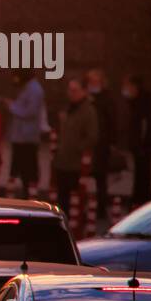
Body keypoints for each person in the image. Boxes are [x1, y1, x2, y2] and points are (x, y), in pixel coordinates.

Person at [52, 77, 99, 213]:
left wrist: (77, 148)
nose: (71, 93)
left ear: (84, 91)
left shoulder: (88, 111)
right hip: (62, 161)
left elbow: (92, 136)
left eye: (75, 90)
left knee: (75, 201)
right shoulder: (68, 109)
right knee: (62, 199)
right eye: (70, 90)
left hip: (75, 163)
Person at [2, 70, 46, 198]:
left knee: (28, 171)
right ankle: (21, 194)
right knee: (18, 170)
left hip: (27, 138)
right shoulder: (27, 88)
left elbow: (30, 112)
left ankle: (29, 196)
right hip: (20, 137)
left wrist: (12, 106)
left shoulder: (35, 90)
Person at [123, 74, 151, 207]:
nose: (126, 89)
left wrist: (142, 144)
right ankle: (139, 197)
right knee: (140, 172)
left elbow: (145, 125)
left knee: (143, 172)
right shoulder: (136, 102)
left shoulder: (144, 103)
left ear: (135, 87)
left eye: (128, 86)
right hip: (140, 145)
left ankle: (142, 199)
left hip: (144, 146)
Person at [86, 69, 117, 218]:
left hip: (102, 143)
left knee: (100, 177)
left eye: (94, 82)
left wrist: (111, 141)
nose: (92, 84)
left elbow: (111, 120)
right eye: (90, 82)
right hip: (90, 142)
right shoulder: (88, 97)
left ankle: (101, 208)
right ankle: (87, 206)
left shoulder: (106, 99)